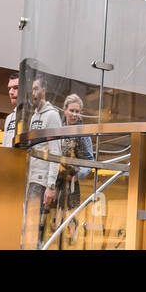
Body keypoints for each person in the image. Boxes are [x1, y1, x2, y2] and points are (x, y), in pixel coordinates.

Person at [48, 93, 95, 244]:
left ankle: (71, 238)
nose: (74, 114)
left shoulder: (82, 132)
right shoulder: (58, 127)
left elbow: (89, 160)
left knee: (71, 212)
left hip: (72, 178)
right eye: (72, 110)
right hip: (54, 177)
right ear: (65, 110)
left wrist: (77, 175)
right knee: (52, 212)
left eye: (77, 111)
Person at [26, 75, 62, 244]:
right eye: (31, 89)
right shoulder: (34, 117)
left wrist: (51, 185)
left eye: (36, 89)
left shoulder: (52, 116)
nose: (33, 93)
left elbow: (55, 151)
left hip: (41, 182)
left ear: (43, 91)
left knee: (35, 230)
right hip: (31, 180)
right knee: (29, 229)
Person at [1, 71, 20, 146]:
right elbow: (5, 145)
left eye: (16, 88)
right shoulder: (9, 118)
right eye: (9, 88)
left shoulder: (35, 115)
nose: (11, 92)